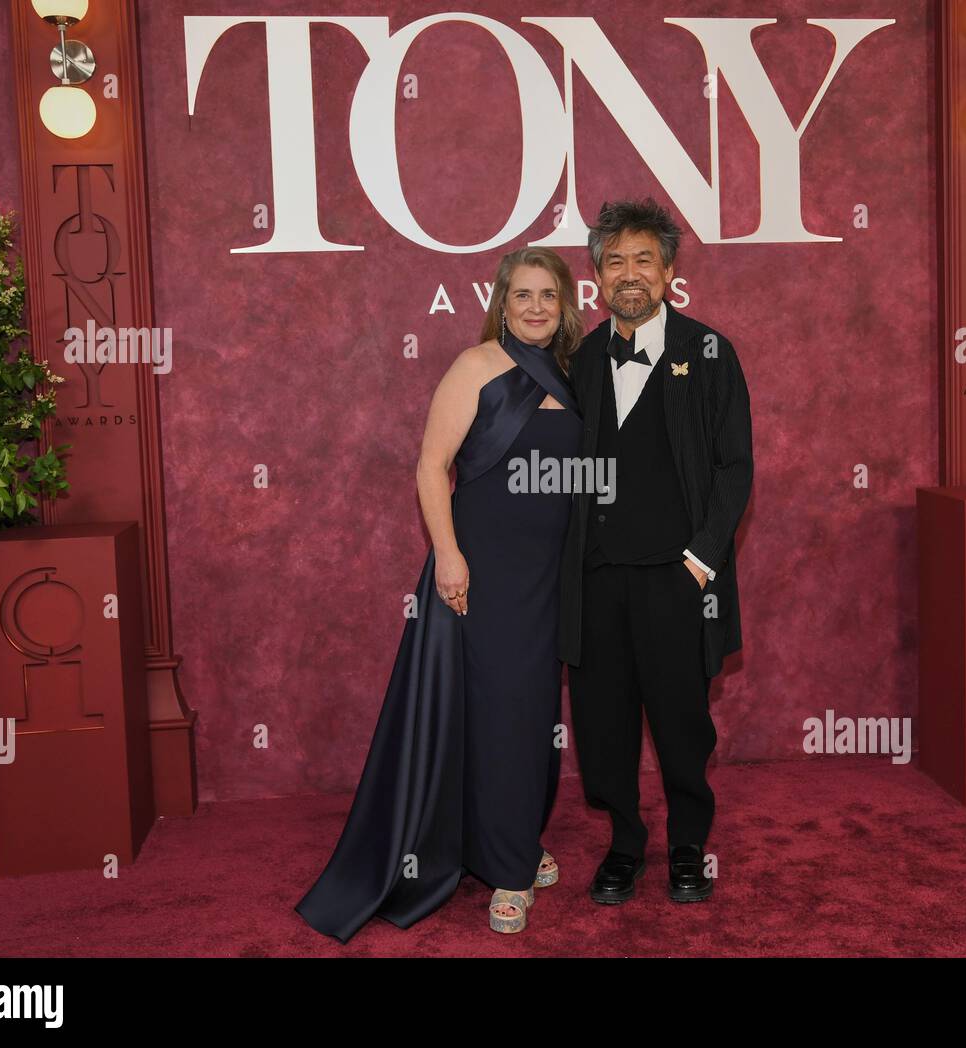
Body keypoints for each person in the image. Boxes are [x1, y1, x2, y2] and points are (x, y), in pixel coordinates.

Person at [296, 247, 583, 940]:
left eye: (548, 295)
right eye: (523, 295)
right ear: (502, 304)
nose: (536, 307)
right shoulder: (475, 366)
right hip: (484, 571)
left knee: (532, 714)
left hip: (551, 575)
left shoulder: (575, 374)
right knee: (503, 712)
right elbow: (431, 466)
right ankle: (509, 872)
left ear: (565, 305)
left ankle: (509, 836)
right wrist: (449, 556)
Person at [557, 198, 753, 905]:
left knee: (681, 724)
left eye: (644, 259)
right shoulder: (580, 361)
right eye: (615, 262)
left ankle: (689, 845)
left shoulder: (710, 352)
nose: (629, 273)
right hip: (598, 580)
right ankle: (625, 844)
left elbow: (734, 468)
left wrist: (700, 561)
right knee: (603, 724)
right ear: (597, 278)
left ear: (669, 272)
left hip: (678, 578)